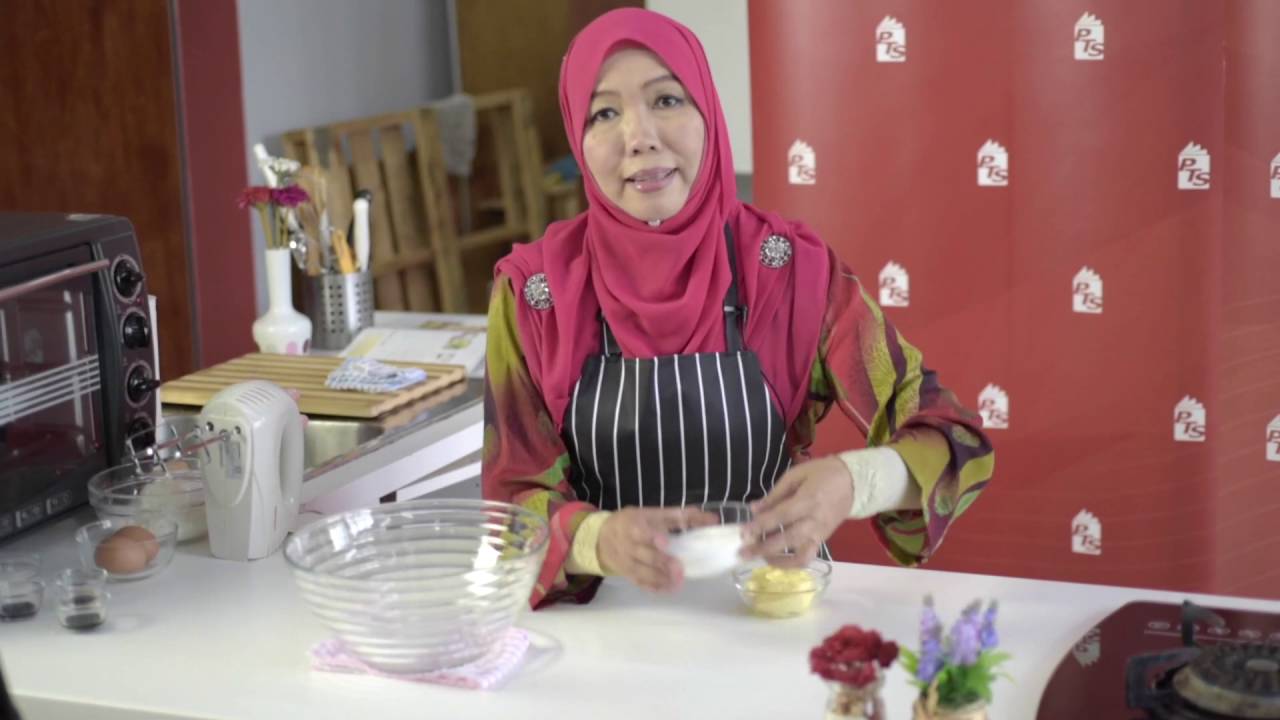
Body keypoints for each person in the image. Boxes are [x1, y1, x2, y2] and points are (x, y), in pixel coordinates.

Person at [483, 8, 994, 608]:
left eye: (666, 100)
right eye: (604, 112)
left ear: (708, 112)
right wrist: (595, 539)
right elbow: (508, 506)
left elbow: (955, 440)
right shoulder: (534, 291)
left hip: (772, 604)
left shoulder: (791, 271)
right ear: (577, 135)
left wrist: (852, 483)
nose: (640, 135)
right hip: (607, 623)